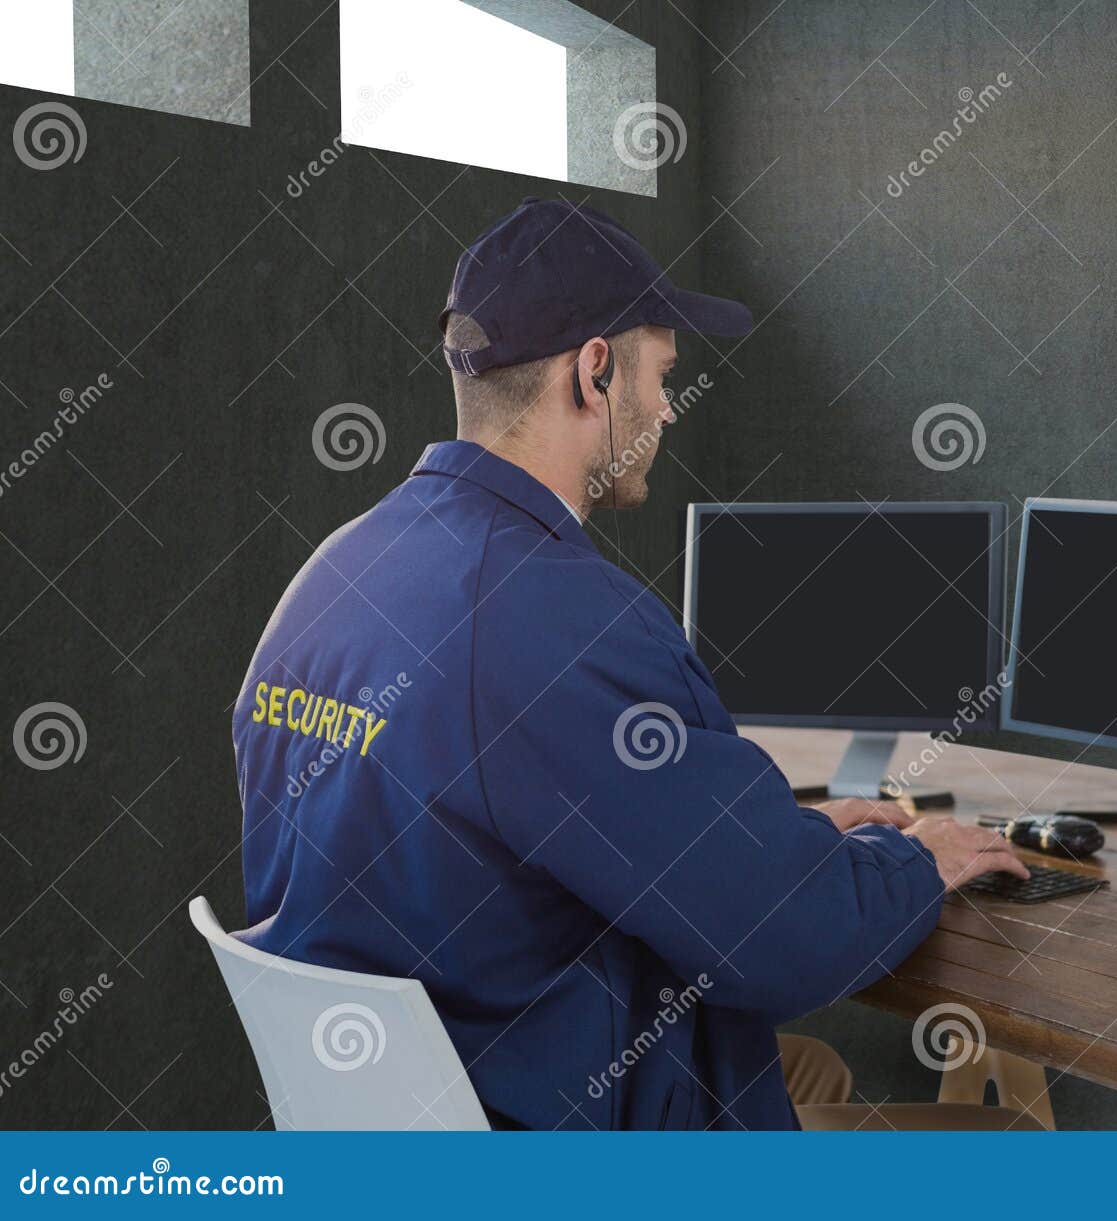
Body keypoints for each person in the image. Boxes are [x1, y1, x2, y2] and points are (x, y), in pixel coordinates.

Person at [232, 197, 1029, 1130]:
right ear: (595, 373)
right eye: (663, 374)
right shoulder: (565, 619)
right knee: (1005, 1137)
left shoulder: (331, 575)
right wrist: (908, 858)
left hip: (411, 1120)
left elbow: (516, 820)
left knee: (805, 1073)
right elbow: (782, 939)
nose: (667, 409)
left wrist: (777, 835)